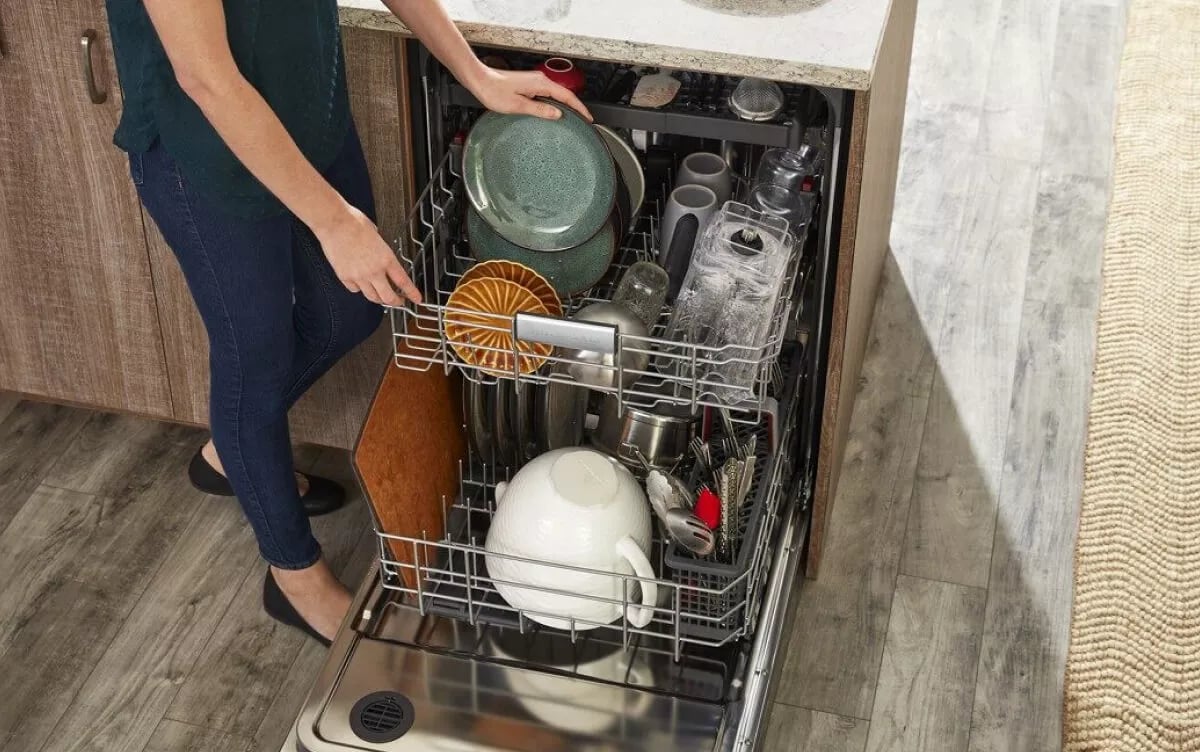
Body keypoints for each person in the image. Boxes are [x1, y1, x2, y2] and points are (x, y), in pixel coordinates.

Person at [105, 0, 589, 645]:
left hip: (305, 110)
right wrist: (335, 222)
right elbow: (207, 78)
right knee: (255, 362)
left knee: (350, 313)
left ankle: (235, 447)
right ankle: (294, 576)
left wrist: (476, 73)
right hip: (204, 144)